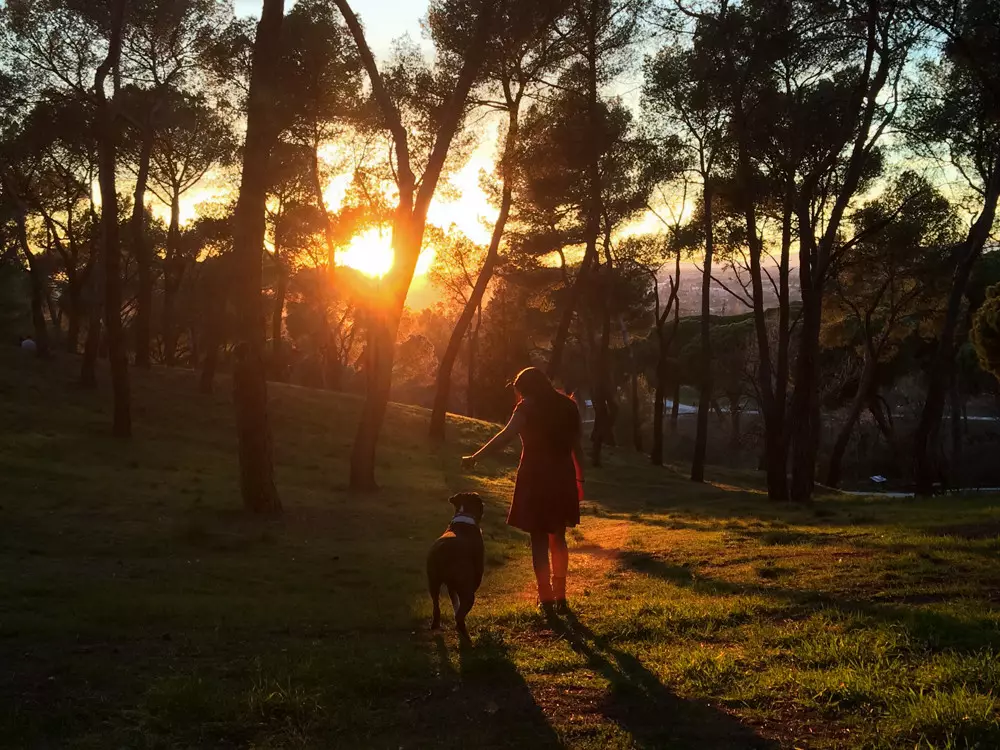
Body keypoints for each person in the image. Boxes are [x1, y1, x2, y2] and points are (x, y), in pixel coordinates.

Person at [462, 367, 585, 609]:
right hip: (562, 477)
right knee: (558, 536)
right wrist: (580, 479)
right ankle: (561, 595)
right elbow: (577, 447)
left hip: (535, 476)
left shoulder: (527, 406)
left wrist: (476, 456)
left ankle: (546, 597)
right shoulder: (568, 406)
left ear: (525, 388)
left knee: (538, 538)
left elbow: (506, 435)